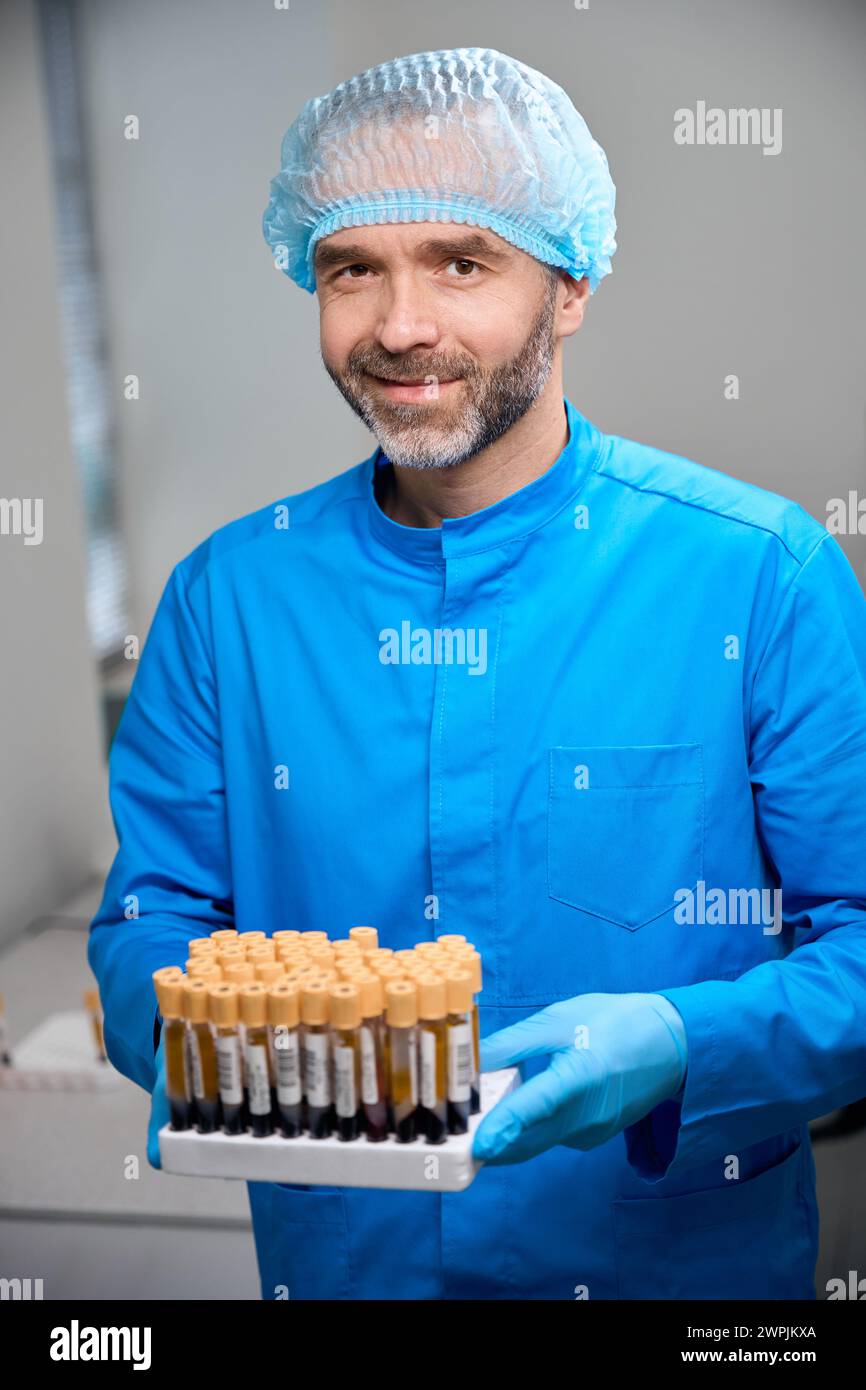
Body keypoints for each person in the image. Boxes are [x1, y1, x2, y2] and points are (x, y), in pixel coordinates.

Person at [89, 46, 866, 1300]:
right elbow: (152, 921)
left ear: (570, 282)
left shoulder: (756, 576)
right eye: (352, 269)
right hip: (347, 1270)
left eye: (462, 262)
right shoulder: (228, 598)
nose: (400, 327)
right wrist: (188, 1042)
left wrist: (682, 1040)